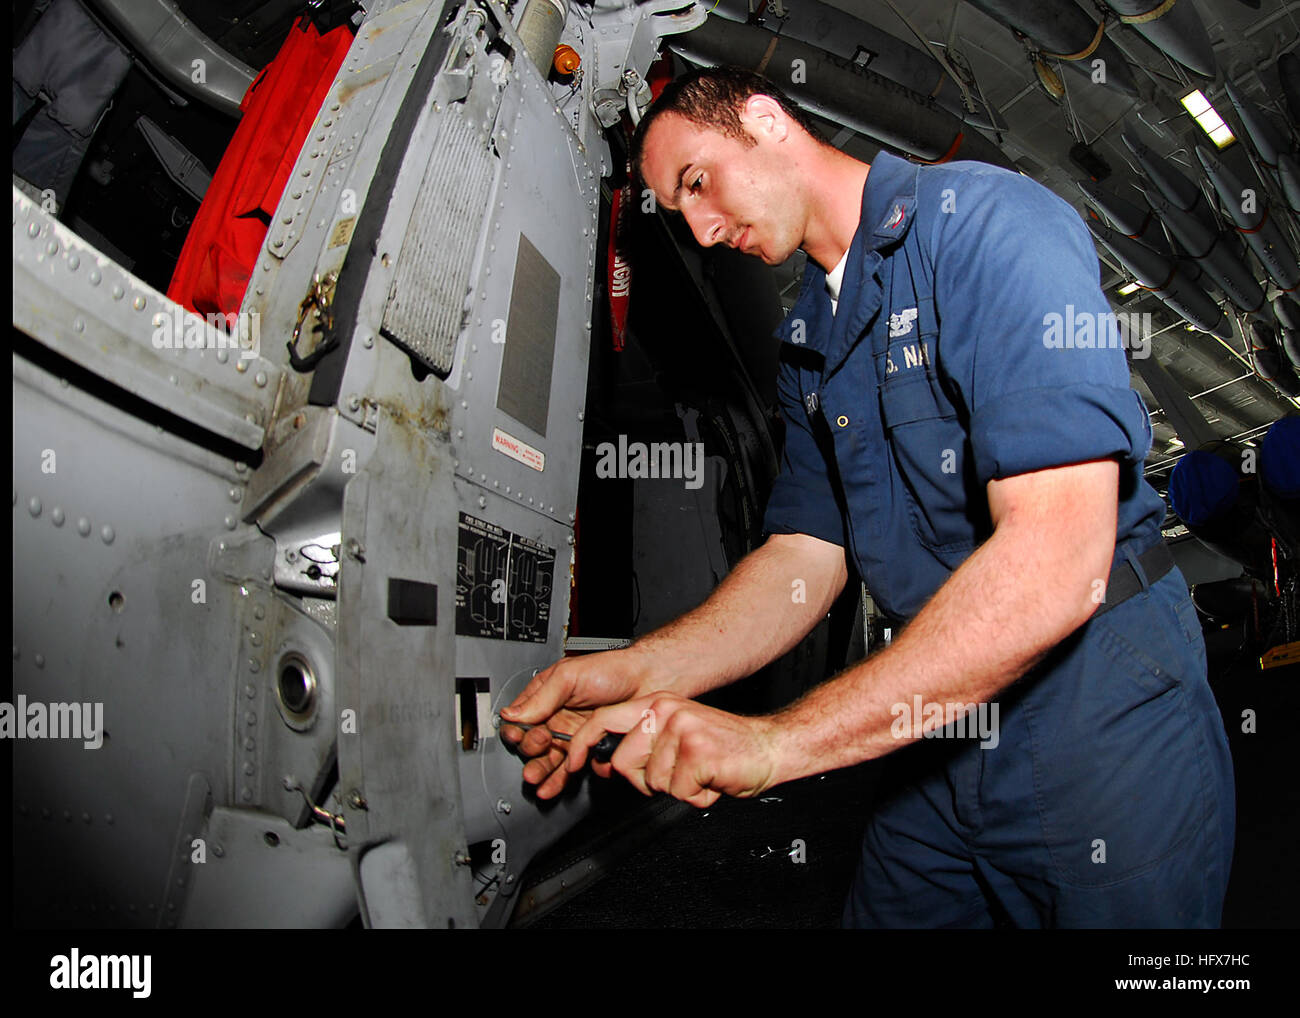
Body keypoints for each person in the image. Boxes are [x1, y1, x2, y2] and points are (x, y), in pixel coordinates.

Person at [501, 66, 1235, 928]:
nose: (699, 227)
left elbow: (1057, 565)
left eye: (697, 182)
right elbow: (801, 563)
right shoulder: (810, 341)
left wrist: (774, 744)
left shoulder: (986, 227)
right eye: (678, 211)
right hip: (937, 723)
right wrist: (630, 674)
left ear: (767, 120)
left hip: (1096, 711)